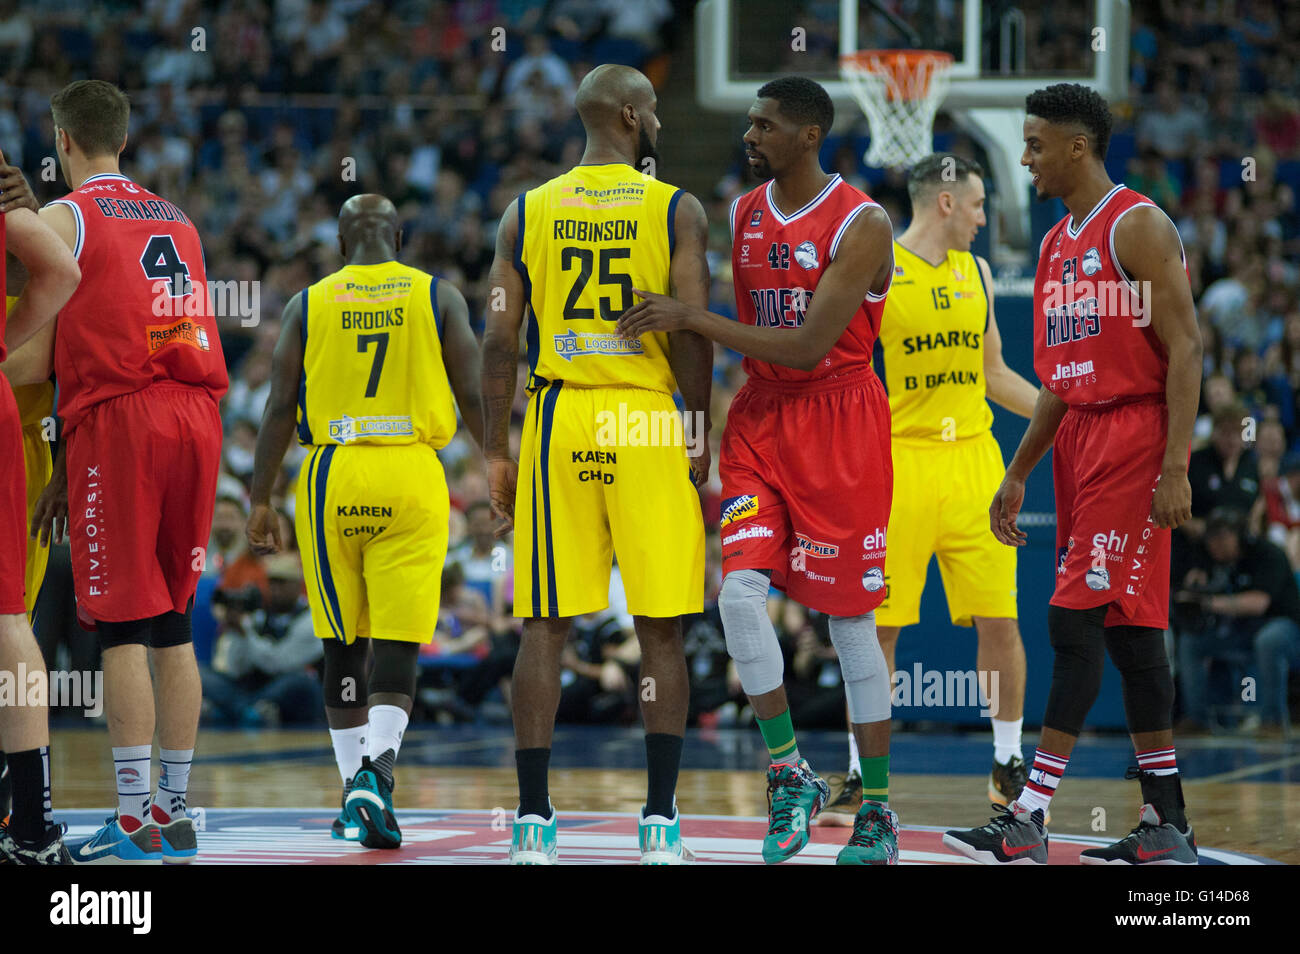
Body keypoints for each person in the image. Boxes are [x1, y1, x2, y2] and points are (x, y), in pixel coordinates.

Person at [618, 76, 898, 864]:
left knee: (848, 625)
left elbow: (810, 344)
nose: (749, 134)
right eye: (748, 122)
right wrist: (699, 419)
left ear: (808, 135)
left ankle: (876, 807)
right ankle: (788, 773)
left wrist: (692, 317)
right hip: (761, 421)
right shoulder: (740, 212)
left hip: (840, 420)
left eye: (764, 124)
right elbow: (744, 347)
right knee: (739, 598)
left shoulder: (864, 221)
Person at [944, 83, 1203, 865]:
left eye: (1034, 144)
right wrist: (1020, 470)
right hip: (1082, 440)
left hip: (1135, 436)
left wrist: (1174, 467)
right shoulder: (1059, 243)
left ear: (1077, 147)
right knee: (1131, 634)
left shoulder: (1140, 225)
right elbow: (1059, 379)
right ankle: (1169, 824)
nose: (1024, 158)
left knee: (1072, 621)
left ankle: (1028, 810)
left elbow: (1187, 348)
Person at [481, 63, 712, 865]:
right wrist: (696, 426)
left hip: (559, 417)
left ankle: (534, 823)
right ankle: (659, 823)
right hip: (645, 417)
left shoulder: (526, 210)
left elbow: (497, 337)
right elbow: (690, 328)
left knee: (545, 622)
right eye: (651, 110)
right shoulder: (674, 206)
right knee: (660, 626)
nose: (659, 123)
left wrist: (494, 451)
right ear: (627, 114)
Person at [246, 193, 485, 849]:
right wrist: (496, 461)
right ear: (399, 237)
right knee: (400, 638)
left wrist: (259, 496)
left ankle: (356, 784)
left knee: (343, 641)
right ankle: (377, 776)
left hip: (333, 474)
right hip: (413, 469)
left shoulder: (310, 301)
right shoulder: (438, 296)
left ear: (343, 244)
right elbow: (472, 390)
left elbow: (277, 405)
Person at [819, 153, 1040, 825]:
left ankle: (1006, 763)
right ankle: (862, 777)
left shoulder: (976, 272)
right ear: (946, 202)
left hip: (975, 462)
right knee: (880, 629)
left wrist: (1064, 412)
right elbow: (841, 367)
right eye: (976, 206)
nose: (982, 219)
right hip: (900, 465)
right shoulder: (878, 273)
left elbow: (995, 373)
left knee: (1000, 620)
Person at [0, 151, 80, 864]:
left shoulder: (42, 301)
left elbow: (32, 368)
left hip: (24, 452)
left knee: (11, 624)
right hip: (14, 442)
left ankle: (21, 805)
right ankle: (26, 816)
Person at [1175, 507, 1299, 737]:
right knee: (1191, 641)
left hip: (1285, 627)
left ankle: (1272, 722)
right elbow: (1193, 588)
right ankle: (1197, 719)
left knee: (1269, 640)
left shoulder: (1268, 554)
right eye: (1211, 538)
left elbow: (1258, 603)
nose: (1216, 544)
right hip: (1240, 629)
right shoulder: (1208, 557)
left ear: (1240, 536)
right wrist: (1196, 583)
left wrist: (1206, 602)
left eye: (1222, 537)